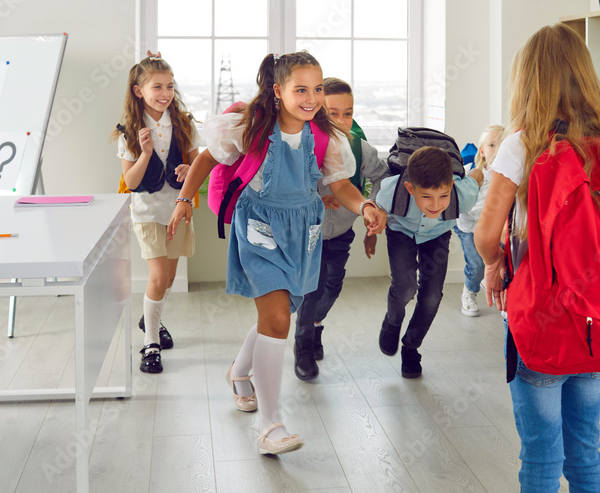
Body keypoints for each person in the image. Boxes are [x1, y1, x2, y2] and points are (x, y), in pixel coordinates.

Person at [474, 23, 600, 492]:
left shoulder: (521, 143)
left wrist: (493, 263)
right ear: (586, 78)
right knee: (585, 452)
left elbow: (487, 235)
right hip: (599, 320)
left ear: (527, 80)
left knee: (542, 456)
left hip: (542, 318)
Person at [167, 51, 385, 455]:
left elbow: (340, 186)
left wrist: (366, 206)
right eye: (300, 89)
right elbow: (206, 158)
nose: (311, 98)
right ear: (277, 90)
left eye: (317, 88)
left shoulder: (326, 138)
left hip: (305, 232)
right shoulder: (249, 129)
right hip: (259, 230)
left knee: (281, 315)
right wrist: (184, 199)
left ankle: (238, 372)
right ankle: (271, 426)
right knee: (278, 317)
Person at [293, 77, 389, 381]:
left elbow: (383, 177)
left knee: (332, 287)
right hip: (308, 234)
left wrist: (370, 204)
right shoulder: (302, 145)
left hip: (340, 233)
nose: (341, 121)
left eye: (348, 113)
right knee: (312, 290)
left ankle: (315, 326)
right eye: (332, 113)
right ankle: (302, 346)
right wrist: (318, 198)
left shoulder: (358, 147)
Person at [112, 56, 199, 374]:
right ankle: (150, 343)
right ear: (138, 91)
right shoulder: (129, 131)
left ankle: (151, 316)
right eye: (157, 86)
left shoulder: (184, 124)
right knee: (159, 278)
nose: (166, 93)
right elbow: (131, 182)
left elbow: (198, 167)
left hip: (177, 211)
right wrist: (146, 153)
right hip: (147, 213)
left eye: (170, 86)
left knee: (169, 281)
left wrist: (190, 168)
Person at [376, 146, 479, 378]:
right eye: (426, 197)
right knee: (405, 288)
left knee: (432, 295)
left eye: (443, 196)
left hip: (437, 234)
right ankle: (393, 320)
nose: (435, 205)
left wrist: (480, 170)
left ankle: (411, 347)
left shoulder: (463, 193)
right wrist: (370, 234)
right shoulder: (391, 191)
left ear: (451, 186)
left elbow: (476, 179)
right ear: (410, 188)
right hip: (401, 231)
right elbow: (377, 210)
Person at [453, 124, 504, 317]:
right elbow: (460, 200)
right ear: (482, 151)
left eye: (502, 145)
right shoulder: (470, 171)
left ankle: (502, 295)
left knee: (502, 261)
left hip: (493, 227)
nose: (497, 150)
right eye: (492, 145)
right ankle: (469, 293)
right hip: (468, 227)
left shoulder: (507, 175)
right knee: (475, 264)